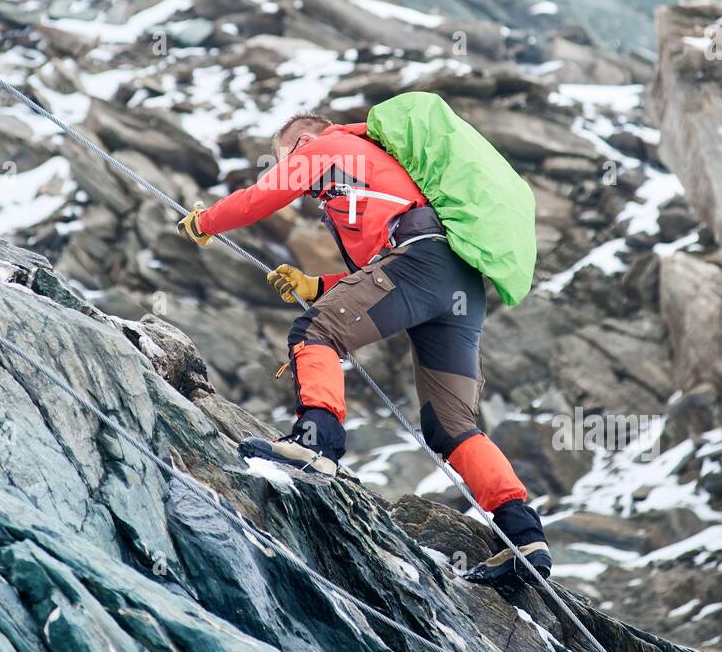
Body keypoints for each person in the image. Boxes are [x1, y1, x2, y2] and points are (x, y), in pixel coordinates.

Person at [177, 110, 551, 589]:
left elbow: (266, 193)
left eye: (283, 155)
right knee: (450, 425)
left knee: (314, 334)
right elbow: (374, 274)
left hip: (423, 260)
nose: (290, 168)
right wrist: (314, 284)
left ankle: (316, 445)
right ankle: (523, 536)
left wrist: (207, 221)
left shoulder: (326, 146)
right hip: (455, 281)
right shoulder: (361, 178)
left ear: (303, 140)